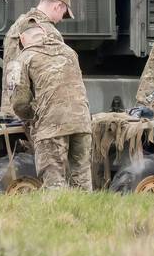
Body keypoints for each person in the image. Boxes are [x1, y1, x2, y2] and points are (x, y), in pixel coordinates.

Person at [10, 24, 93, 190]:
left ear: (22, 38)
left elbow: (20, 103)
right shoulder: (69, 52)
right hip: (82, 122)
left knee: (54, 182)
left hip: (51, 125)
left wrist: (33, 117)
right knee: (82, 178)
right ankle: (84, 214)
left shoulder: (25, 57)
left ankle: (57, 215)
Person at [1, 0, 74, 109]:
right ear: (58, 6)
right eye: (64, 13)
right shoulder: (49, 32)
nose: (61, 19)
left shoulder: (17, 25)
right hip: (33, 112)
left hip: (11, 106)